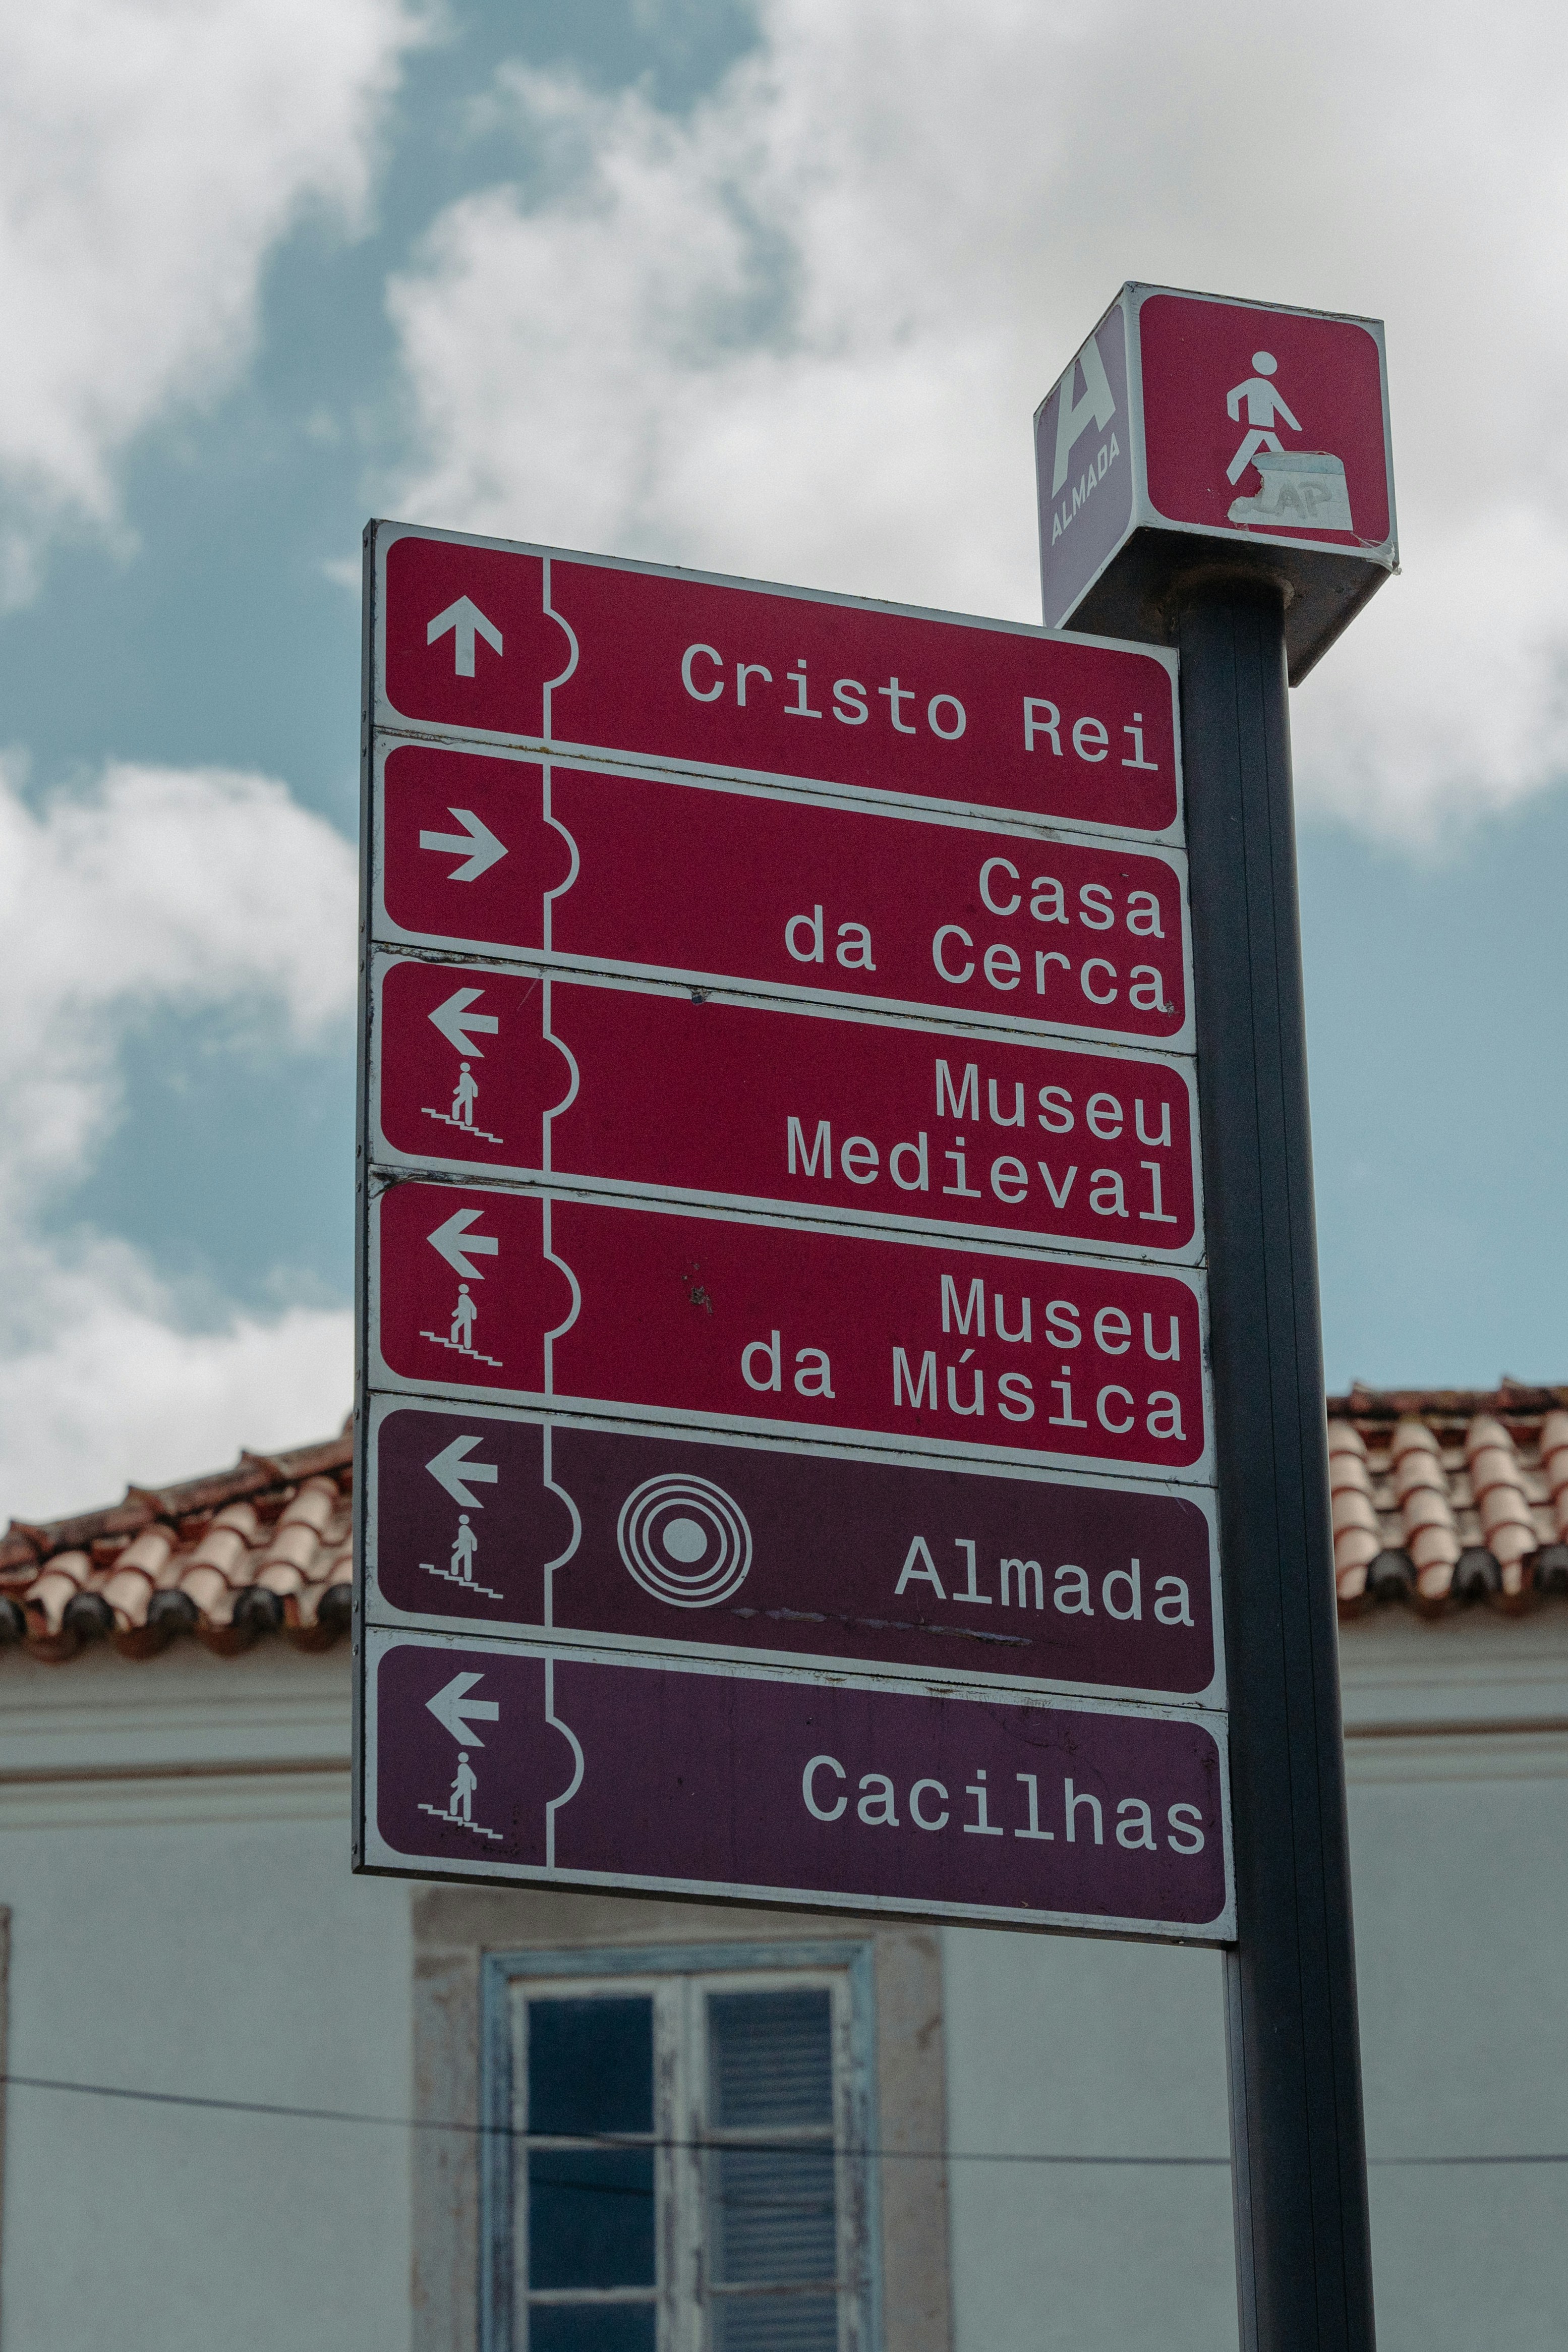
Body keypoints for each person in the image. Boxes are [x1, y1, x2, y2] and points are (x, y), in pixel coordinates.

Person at [1225, 351, 1301, 486]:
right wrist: (1234, 416)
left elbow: (1280, 406)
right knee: (1248, 452)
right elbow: (1233, 395)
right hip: (1256, 426)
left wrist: (1294, 425)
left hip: (1268, 428)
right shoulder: (1253, 383)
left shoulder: (1268, 386)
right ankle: (1230, 477)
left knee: (1280, 456)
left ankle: (1289, 483)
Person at [449, 1751, 477, 1824]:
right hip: (463, 1787)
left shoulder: (463, 1767)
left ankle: (465, 1817)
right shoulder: (462, 1767)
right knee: (464, 1801)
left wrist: (473, 1786)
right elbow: (464, 1778)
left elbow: (472, 1777)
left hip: (465, 1787)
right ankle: (461, 1816)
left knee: (460, 1800)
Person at [451, 1514, 478, 1582]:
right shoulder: (462, 1528)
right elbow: (461, 1539)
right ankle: (457, 1574)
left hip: (466, 1548)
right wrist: (456, 1545)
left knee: (465, 1562)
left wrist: (474, 1547)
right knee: (464, 1561)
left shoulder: (465, 1528)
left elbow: (473, 1538)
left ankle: (467, 1577)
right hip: (463, 1548)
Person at [450, 1283, 477, 1351]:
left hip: (466, 1316)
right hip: (463, 1316)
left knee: (465, 1330)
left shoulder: (464, 1297)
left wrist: (455, 1313)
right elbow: (467, 1307)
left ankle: (467, 1345)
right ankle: (456, 1341)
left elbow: (472, 1307)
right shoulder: (462, 1297)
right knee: (458, 1327)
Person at [451, 1062, 479, 1127]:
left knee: (456, 1104)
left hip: (465, 1094)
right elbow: (474, 1085)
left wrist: (456, 1091)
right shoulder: (466, 1075)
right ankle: (468, 1122)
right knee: (468, 1107)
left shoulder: (464, 1075)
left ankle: (457, 1118)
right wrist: (475, 1094)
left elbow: (465, 1085)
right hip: (467, 1094)